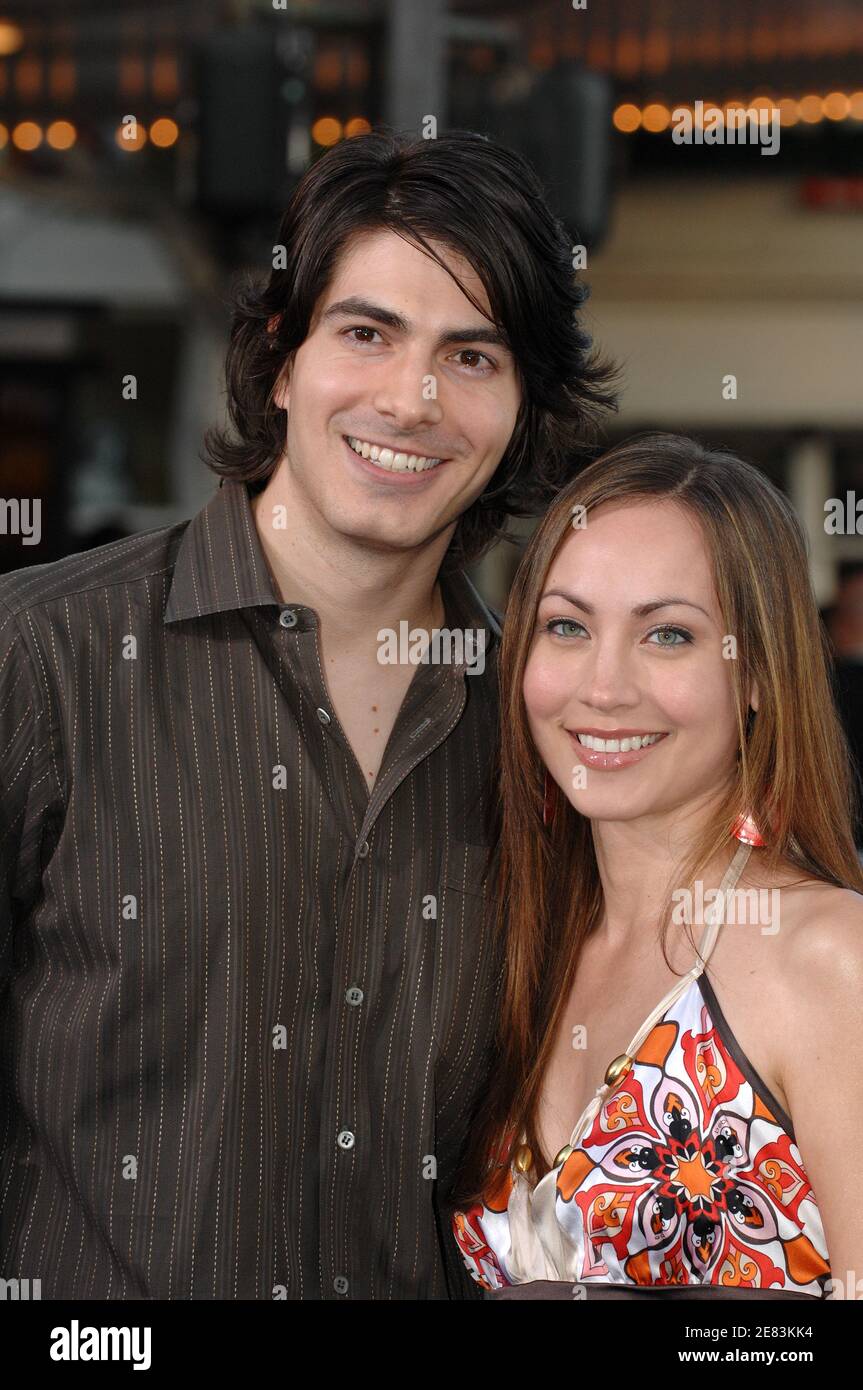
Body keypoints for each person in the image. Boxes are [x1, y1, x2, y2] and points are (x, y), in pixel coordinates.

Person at [0, 128, 617, 1299]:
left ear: (524, 407)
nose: (412, 398)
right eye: (366, 332)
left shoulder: (548, 729)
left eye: (472, 355)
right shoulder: (41, 654)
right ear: (279, 357)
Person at [450, 433, 863, 1300]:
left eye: (667, 635)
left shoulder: (830, 956)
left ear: (755, 672)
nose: (601, 687)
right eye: (566, 626)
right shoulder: (519, 944)